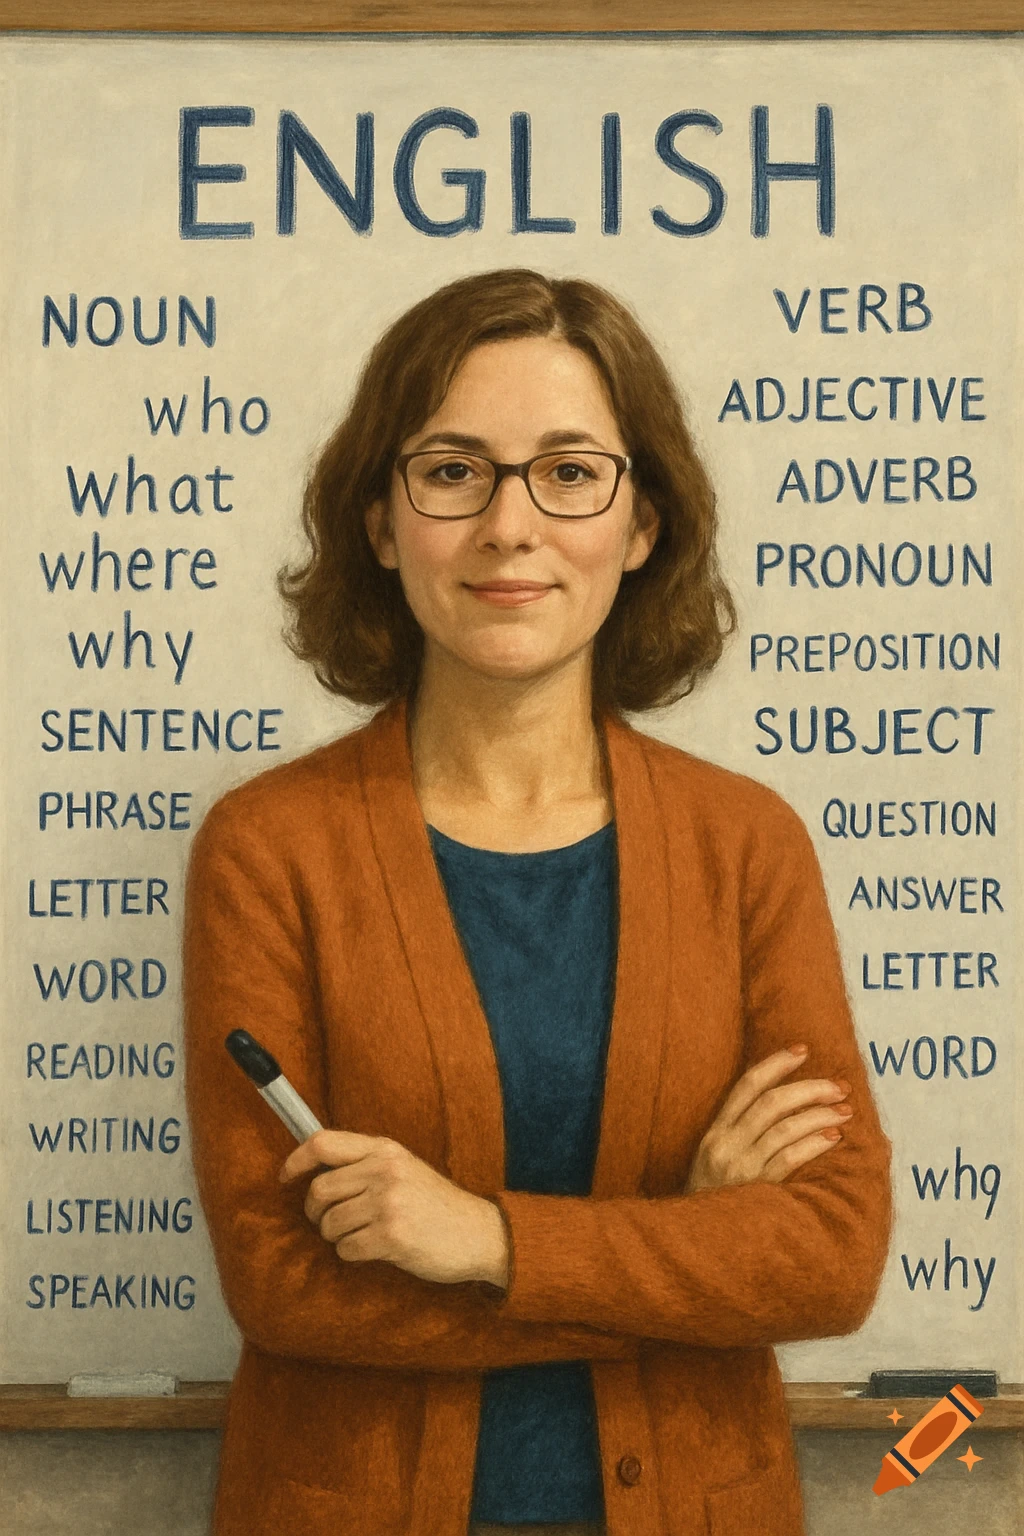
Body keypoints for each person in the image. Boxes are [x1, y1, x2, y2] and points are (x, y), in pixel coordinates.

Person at [183, 268, 892, 1536]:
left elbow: (830, 1255)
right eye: (452, 470)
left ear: (642, 525)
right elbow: (287, 1287)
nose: (511, 525)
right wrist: (680, 1246)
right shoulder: (267, 849)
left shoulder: (746, 846)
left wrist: (485, 1243)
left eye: (570, 472)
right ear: (379, 521)